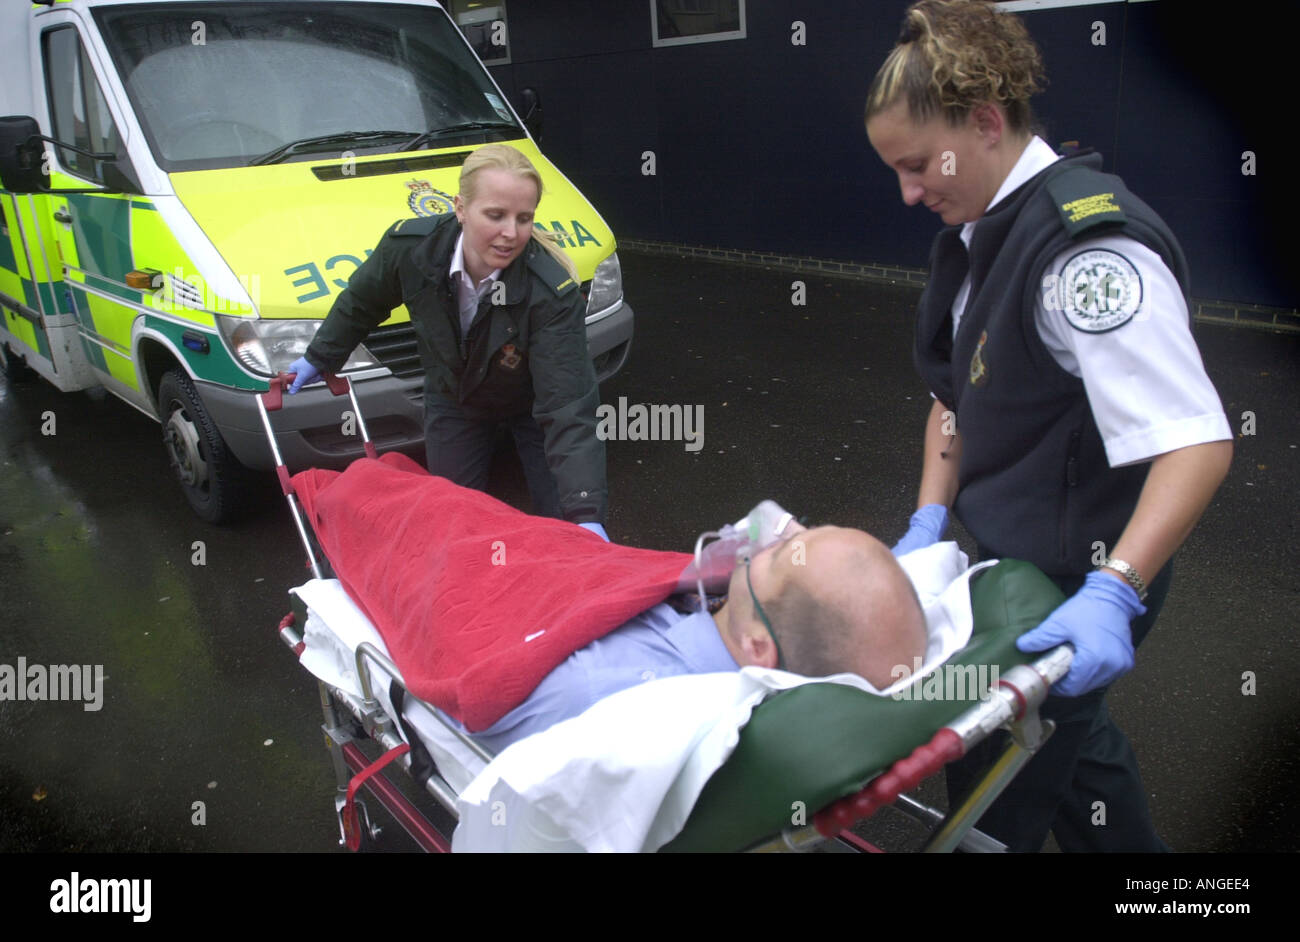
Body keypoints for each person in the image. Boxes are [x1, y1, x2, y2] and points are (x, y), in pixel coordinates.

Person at [864, 0, 1232, 851]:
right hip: (1013, 563)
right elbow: (953, 395)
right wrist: (927, 521)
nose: (909, 191)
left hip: (1083, 580)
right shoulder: (979, 234)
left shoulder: (1085, 256)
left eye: (918, 165)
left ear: (985, 122)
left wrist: (1117, 588)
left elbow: (1195, 437)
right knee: (1076, 748)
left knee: (992, 792)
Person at [288, 143, 608, 537]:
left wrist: (584, 510)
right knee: (453, 520)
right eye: (496, 215)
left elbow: (567, 406)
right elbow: (363, 301)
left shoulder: (549, 292)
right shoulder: (411, 250)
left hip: (532, 401)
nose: (511, 233)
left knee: (565, 522)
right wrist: (321, 356)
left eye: (524, 218)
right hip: (455, 395)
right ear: (460, 208)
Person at [461, 522, 928, 753]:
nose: (765, 540)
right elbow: (740, 540)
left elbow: (473, 714)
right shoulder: (745, 624)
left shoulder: (594, 690)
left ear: (759, 647)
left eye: (781, 552)